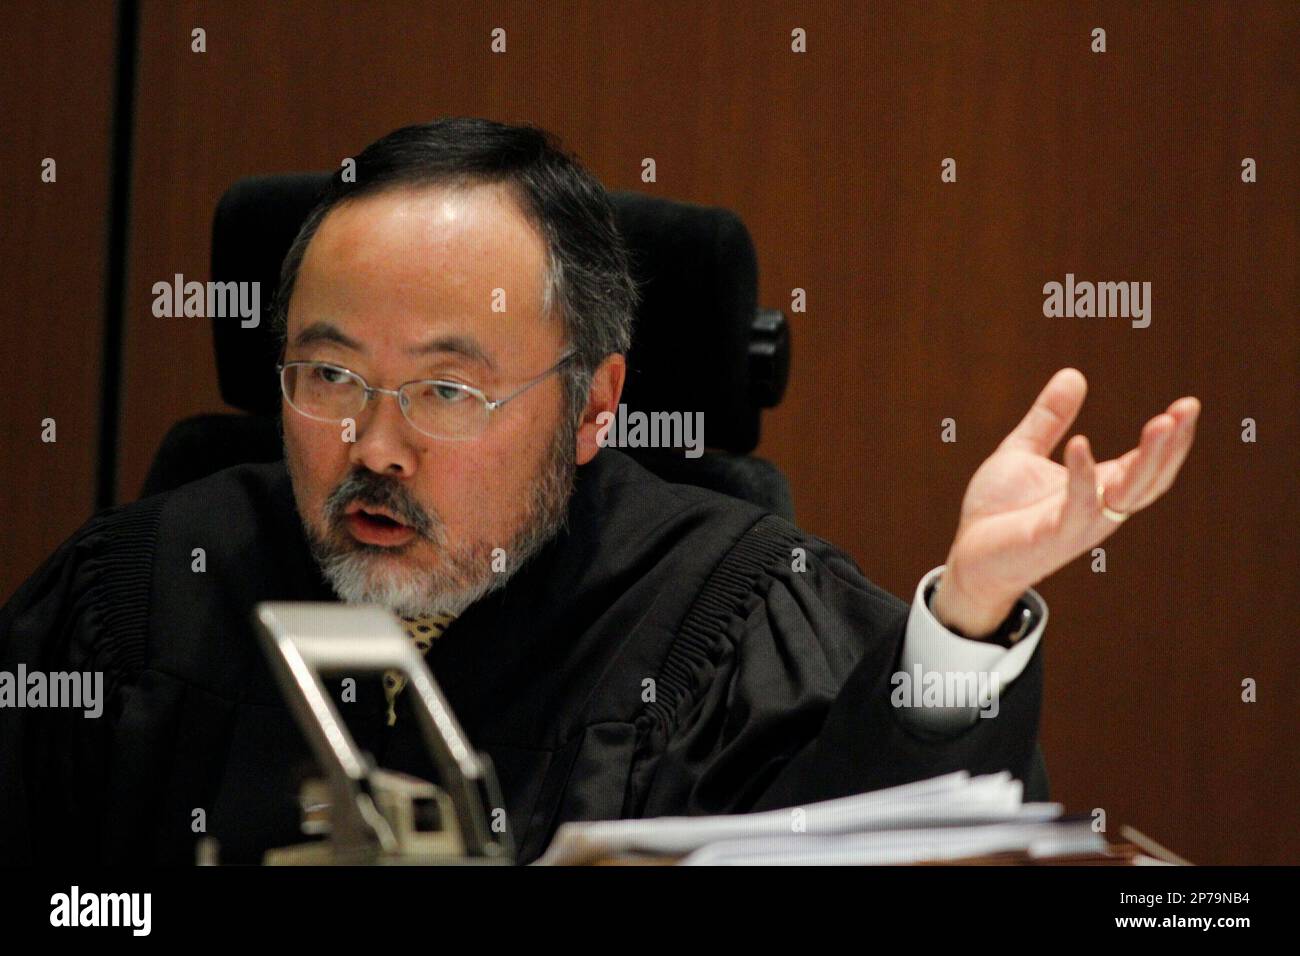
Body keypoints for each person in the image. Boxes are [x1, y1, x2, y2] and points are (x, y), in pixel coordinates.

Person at [0, 117, 1200, 864]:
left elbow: (904, 849)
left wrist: (966, 618)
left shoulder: (725, 609)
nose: (374, 444)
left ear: (592, 404)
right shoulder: (145, 588)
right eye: (329, 374)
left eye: (446, 391)